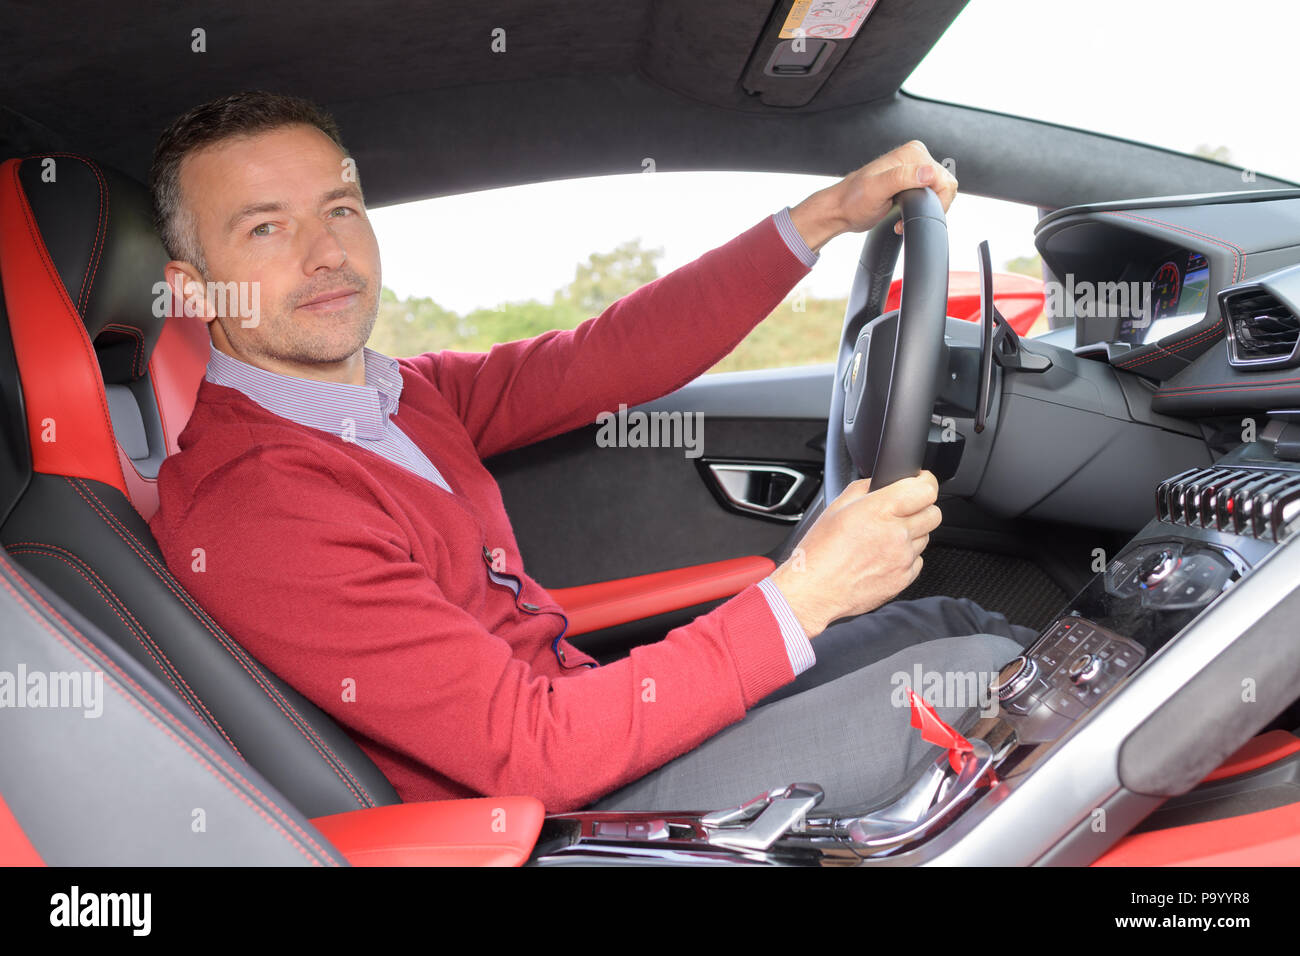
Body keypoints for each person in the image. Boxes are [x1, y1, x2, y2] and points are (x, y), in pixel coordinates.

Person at [147, 90, 1035, 816]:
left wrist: (828, 215)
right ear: (192, 288)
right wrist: (808, 592)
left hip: (595, 718)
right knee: (986, 684)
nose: (327, 252)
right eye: (265, 229)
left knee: (950, 625)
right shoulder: (255, 505)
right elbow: (536, 755)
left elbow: (606, 357)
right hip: (560, 815)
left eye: (340, 209)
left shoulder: (400, 395)